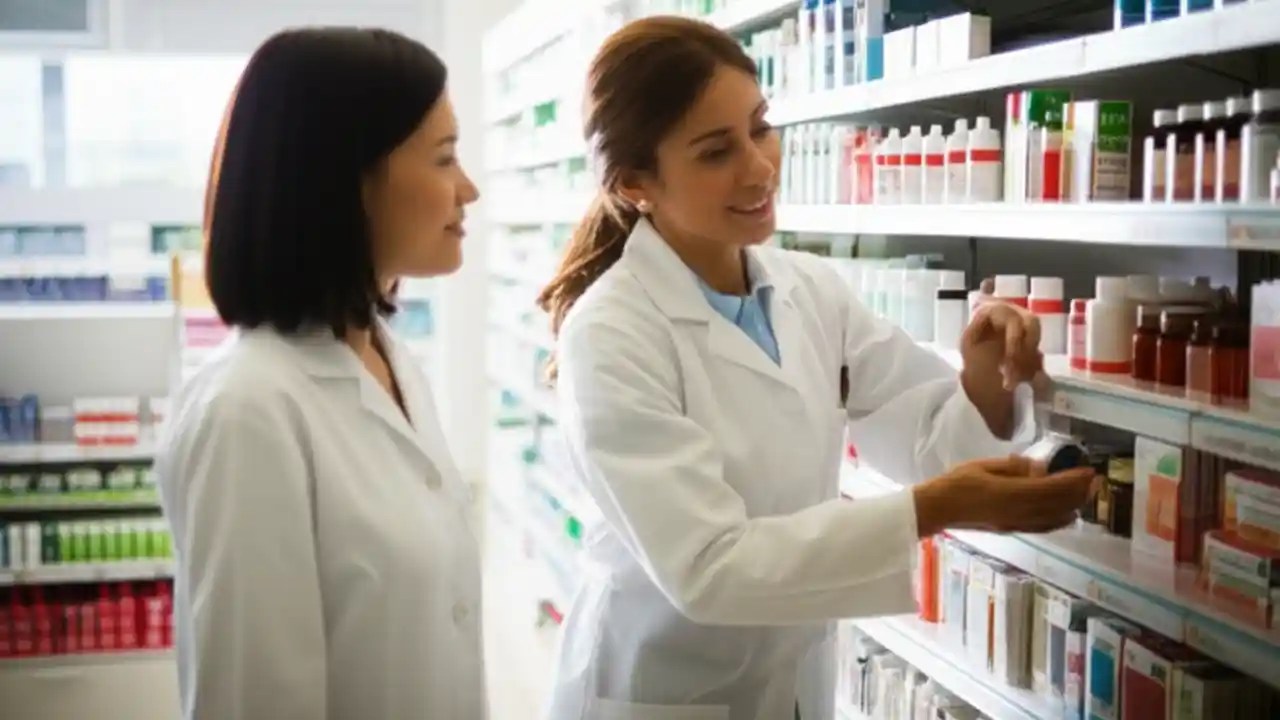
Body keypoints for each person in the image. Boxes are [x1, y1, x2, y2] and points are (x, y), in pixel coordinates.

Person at [535, 16, 1095, 720]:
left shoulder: (809, 288)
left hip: (792, 678)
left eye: (760, 127)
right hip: (665, 683)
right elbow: (708, 567)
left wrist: (986, 377)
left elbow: (922, 433)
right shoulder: (611, 333)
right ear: (634, 184)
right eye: (716, 152)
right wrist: (934, 509)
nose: (759, 166)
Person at [155, 27, 484, 719]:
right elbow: (253, 700)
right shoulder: (247, 410)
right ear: (346, 182)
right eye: (444, 158)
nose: (468, 189)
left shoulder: (388, 361)